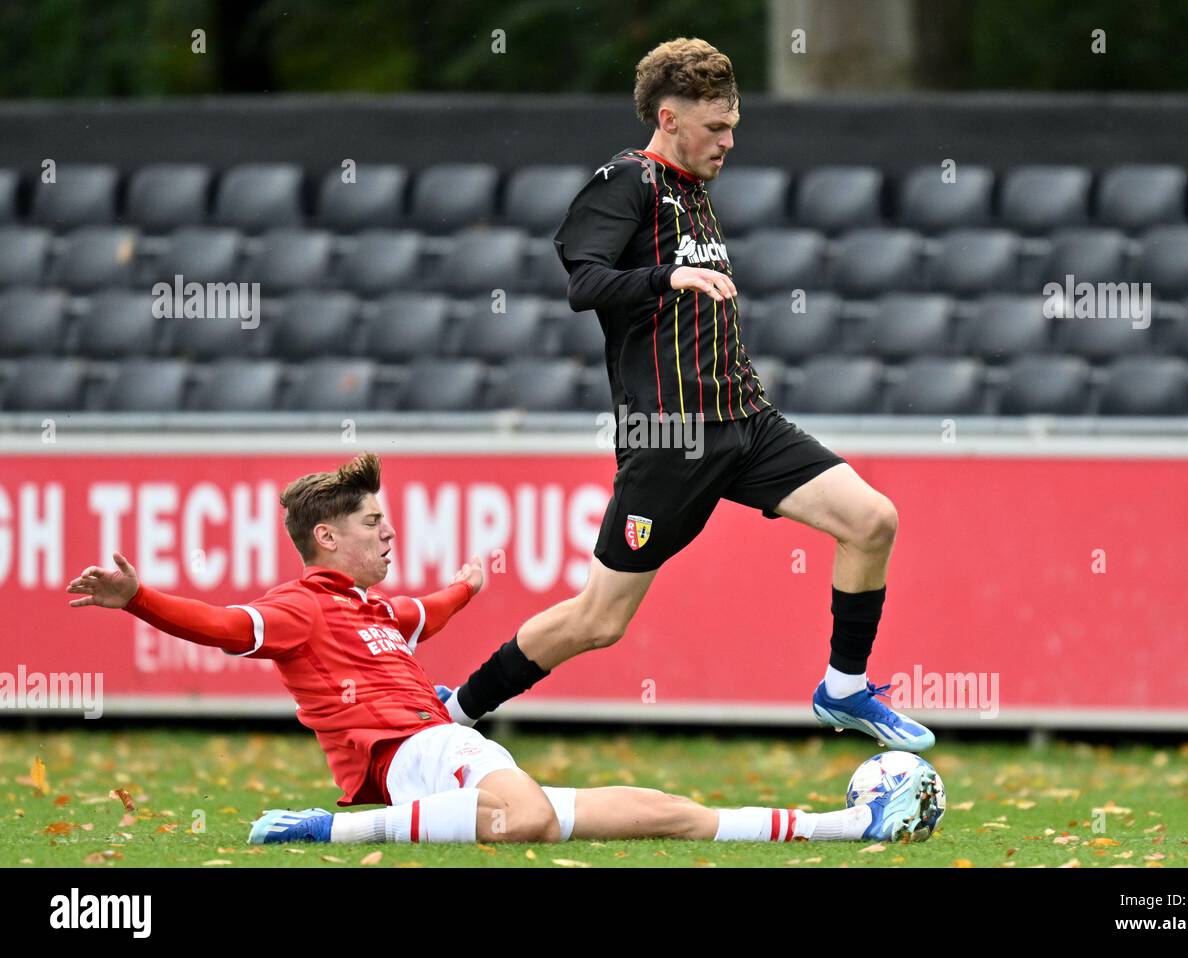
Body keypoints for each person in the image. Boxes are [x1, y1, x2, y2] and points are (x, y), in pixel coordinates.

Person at [441, 37, 934, 752]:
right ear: (668, 118)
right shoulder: (625, 180)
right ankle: (455, 711)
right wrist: (666, 277)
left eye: (734, 126)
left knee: (872, 521)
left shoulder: (693, 191)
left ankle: (845, 689)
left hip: (746, 421)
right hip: (671, 440)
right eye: (716, 127)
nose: (730, 141)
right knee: (599, 622)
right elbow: (584, 284)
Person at [65, 453, 937, 845]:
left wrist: (469, 588)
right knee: (521, 820)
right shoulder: (298, 608)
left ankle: (850, 823)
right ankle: (327, 831)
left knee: (669, 813)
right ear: (325, 536)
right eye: (373, 523)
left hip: (451, 750)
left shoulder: (374, 610)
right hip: (411, 755)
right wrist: (136, 598)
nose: (388, 532)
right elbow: (225, 629)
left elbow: (425, 611)